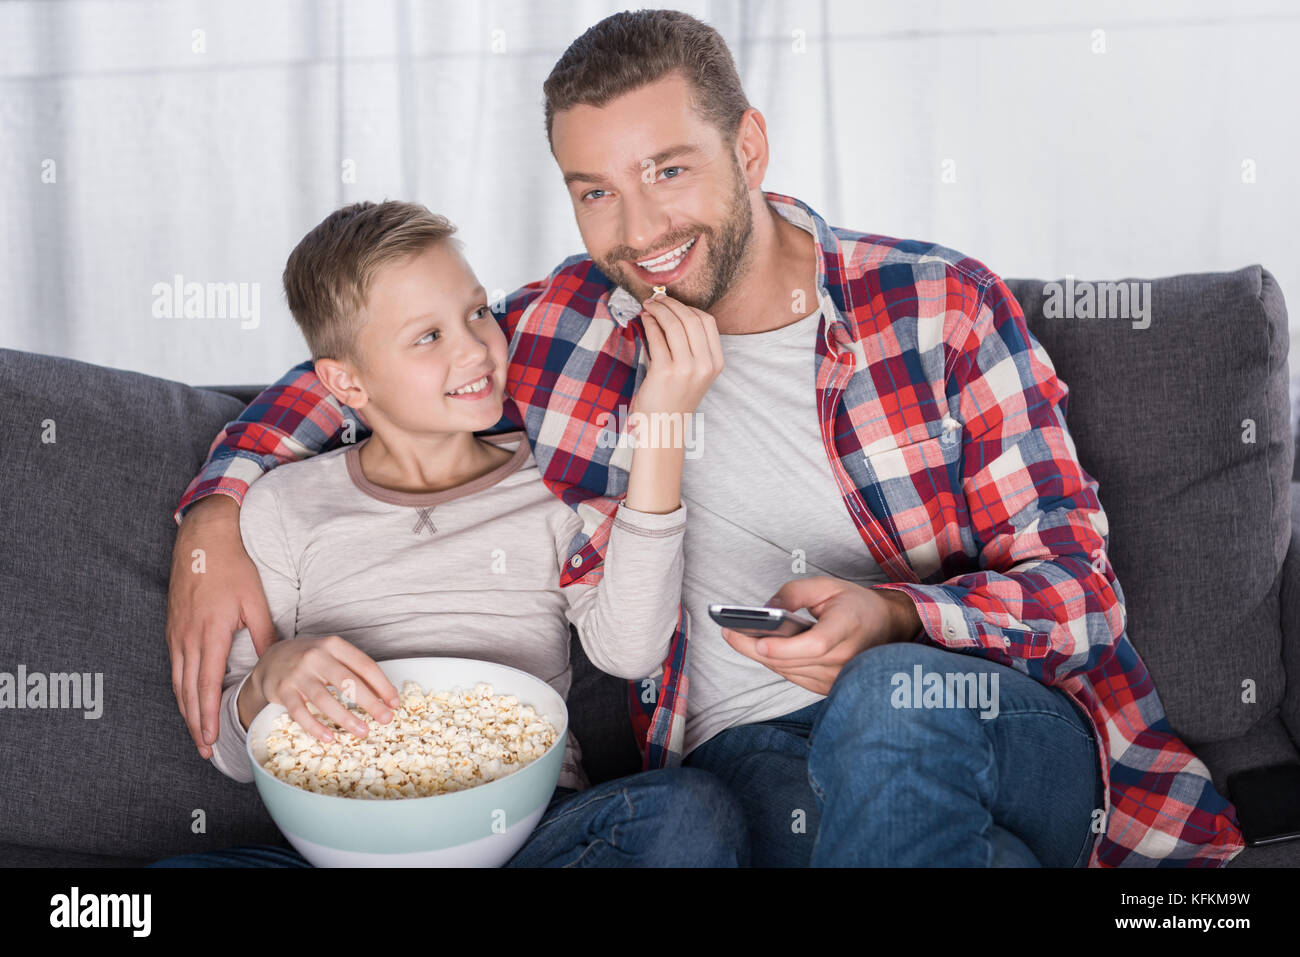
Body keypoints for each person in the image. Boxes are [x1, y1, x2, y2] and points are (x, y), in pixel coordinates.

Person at [166, 9, 1246, 866]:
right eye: (595, 191)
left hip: (979, 723)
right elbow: (371, 374)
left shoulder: (937, 307)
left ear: (749, 146)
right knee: (751, 823)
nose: (638, 231)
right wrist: (214, 518)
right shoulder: (563, 328)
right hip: (748, 764)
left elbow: (1079, 596)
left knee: (890, 699)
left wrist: (890, 615)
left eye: (668, 170)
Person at [154, 199, 745, 867]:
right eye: (428, 336)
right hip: (352, 839)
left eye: (477, 312)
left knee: (690, 811)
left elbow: (632, 650)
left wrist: (661, 429)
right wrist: (268, 680)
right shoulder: (282, 508)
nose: (476, 348)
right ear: (346, 380)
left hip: (528, 832)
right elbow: (232, 752)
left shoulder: (552, 483)